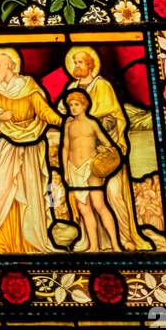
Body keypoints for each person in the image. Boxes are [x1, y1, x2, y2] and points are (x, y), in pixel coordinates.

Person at [61, 46, 152, 250]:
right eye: (74, 62)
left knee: (114, 194)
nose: (76, 65)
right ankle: (93, 244)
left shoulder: (102, 85)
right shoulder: (72, 87)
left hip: (103, 156)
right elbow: (64, 126)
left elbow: (114, 116)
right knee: (86, 206)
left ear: (90, 64)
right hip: (78, 163)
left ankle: (123, 239)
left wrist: (105, 138)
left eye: (80, 62)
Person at [0, 47, 62, 252]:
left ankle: (31, 243)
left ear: (12, 65)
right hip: (7, 146)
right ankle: (1, 243)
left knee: (30, 191)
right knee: (0, 192)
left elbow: (44, 111)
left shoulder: (28, 85)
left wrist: (64, 122)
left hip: (31, 145)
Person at [60, 89, 122, 251]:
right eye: (71, 105)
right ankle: (94, 246)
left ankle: (115, 245)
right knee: (84, 208)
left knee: (99, 205)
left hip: (91, 167)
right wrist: (65, 170)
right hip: (74, 168)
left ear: (84, 106)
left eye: (76, 104)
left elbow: (107, 143)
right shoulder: (69, 125)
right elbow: (65, 148)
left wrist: (103, 149)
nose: (73, 108)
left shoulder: (92, 123)